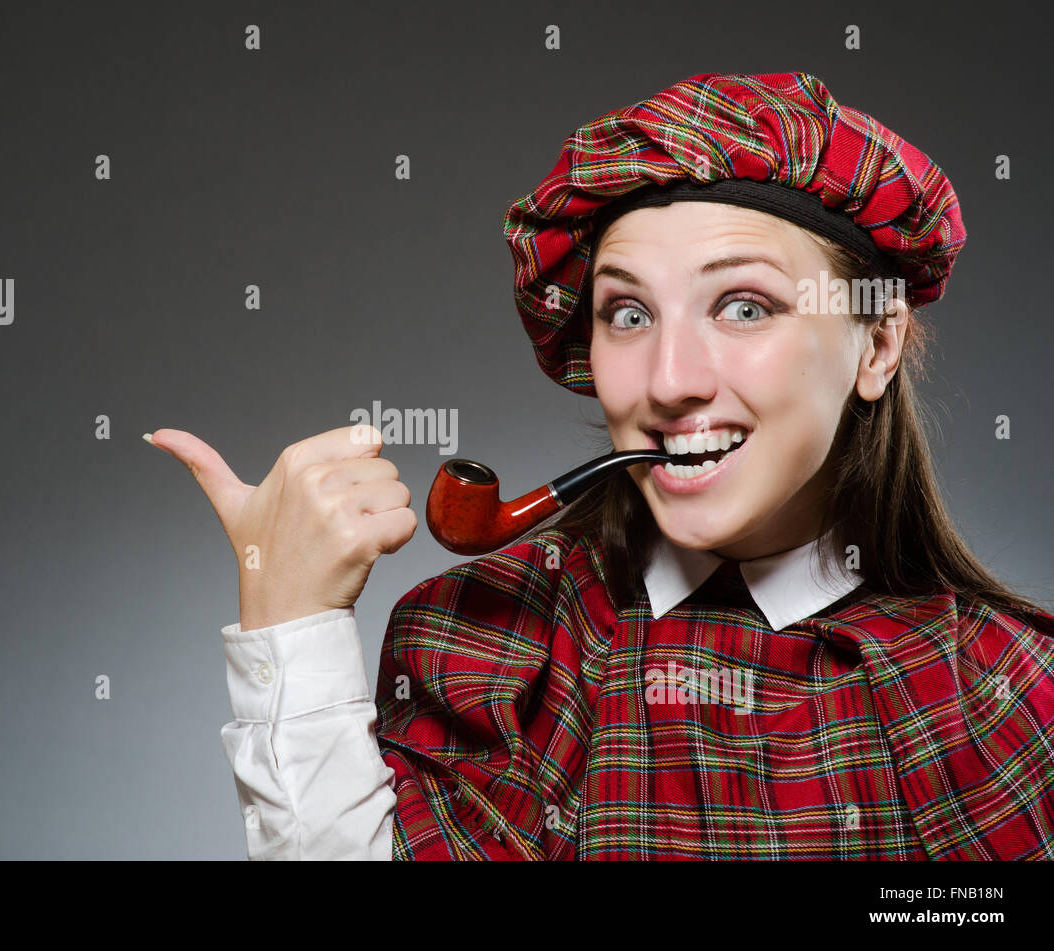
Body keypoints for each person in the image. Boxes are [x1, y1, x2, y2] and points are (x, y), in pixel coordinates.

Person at [148, 71, 1054, 860]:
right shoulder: (488, 647)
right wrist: (289, 624)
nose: (668, 382)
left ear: (877, 344)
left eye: (742, 307)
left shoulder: (1013, 689)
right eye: (628, 314)